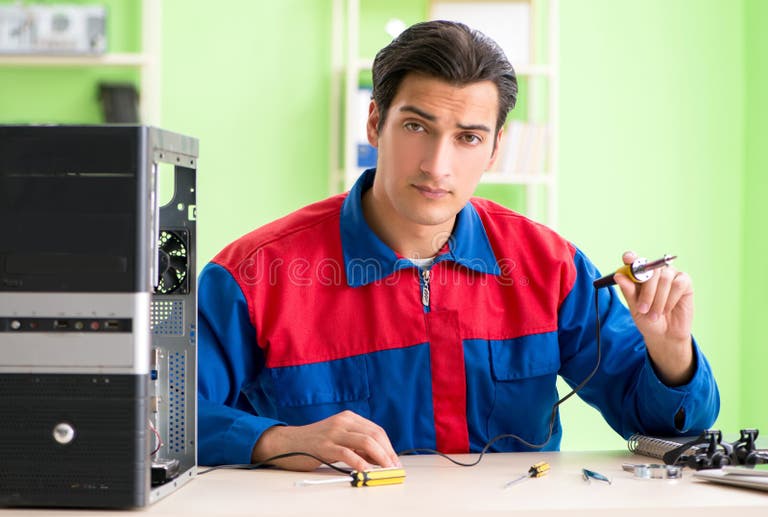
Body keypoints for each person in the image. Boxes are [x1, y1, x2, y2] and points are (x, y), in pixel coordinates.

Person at [197, 20, 719, 472]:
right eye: (416, 126)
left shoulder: (550, 267)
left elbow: (666, 430)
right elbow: (159, 417)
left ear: (495, 147)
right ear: (375, 122)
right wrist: (278, 440)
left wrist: (670, 353)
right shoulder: (252, 277)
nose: (436, 165)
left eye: (468, 137)